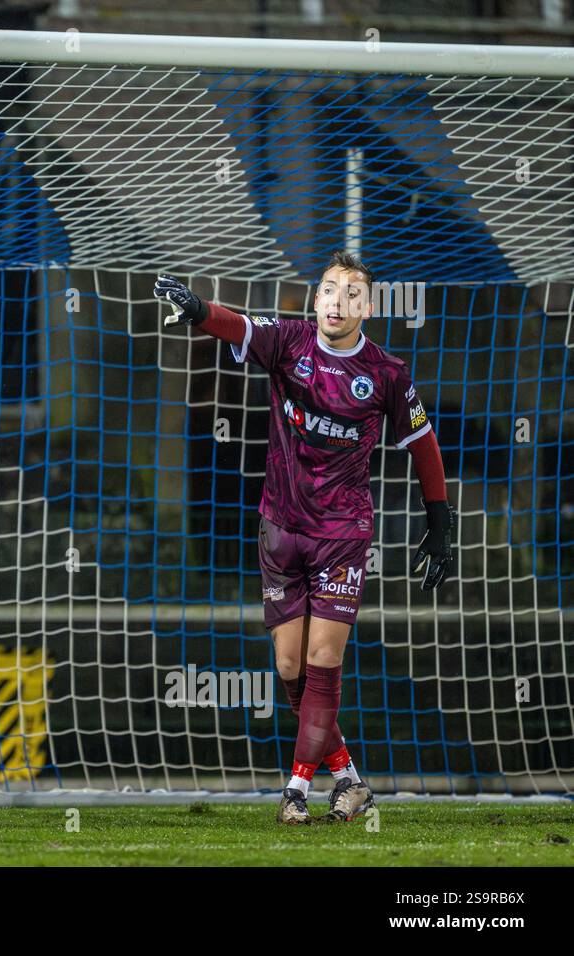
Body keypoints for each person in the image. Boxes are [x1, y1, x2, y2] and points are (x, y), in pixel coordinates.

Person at [157, 252, 455, 824]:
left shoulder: (387, 373)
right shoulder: (288, 342)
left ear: (366, 307)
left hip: (343, 534)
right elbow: (239, 324)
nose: (336, 302)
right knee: (290, 666)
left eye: (350, 294)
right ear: (316, 300)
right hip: (280, 529)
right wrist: (198, 310)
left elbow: (424, 445)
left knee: (323, 658)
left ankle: (295, 789)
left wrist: (439, 522)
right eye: (328, 291)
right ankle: (349, 779)